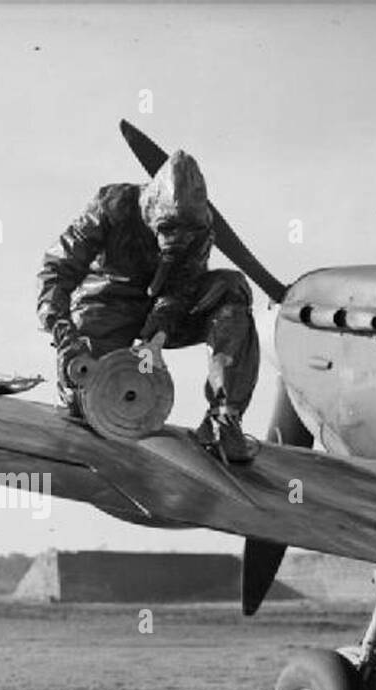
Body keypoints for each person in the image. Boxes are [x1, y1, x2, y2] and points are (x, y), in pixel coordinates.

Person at [37, 149, 260, 462]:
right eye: (169, 229)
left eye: (187, 231)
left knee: (231, 289)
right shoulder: (112, 205)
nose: (177, 240)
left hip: (164, 310)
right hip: (106, 303)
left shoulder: (200, 228)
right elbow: (56, 270)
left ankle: (224, 418)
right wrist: (65, 336)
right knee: (91, 401)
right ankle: (81, 395)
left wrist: (157, 335)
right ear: (151, 205)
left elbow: (183, 285)